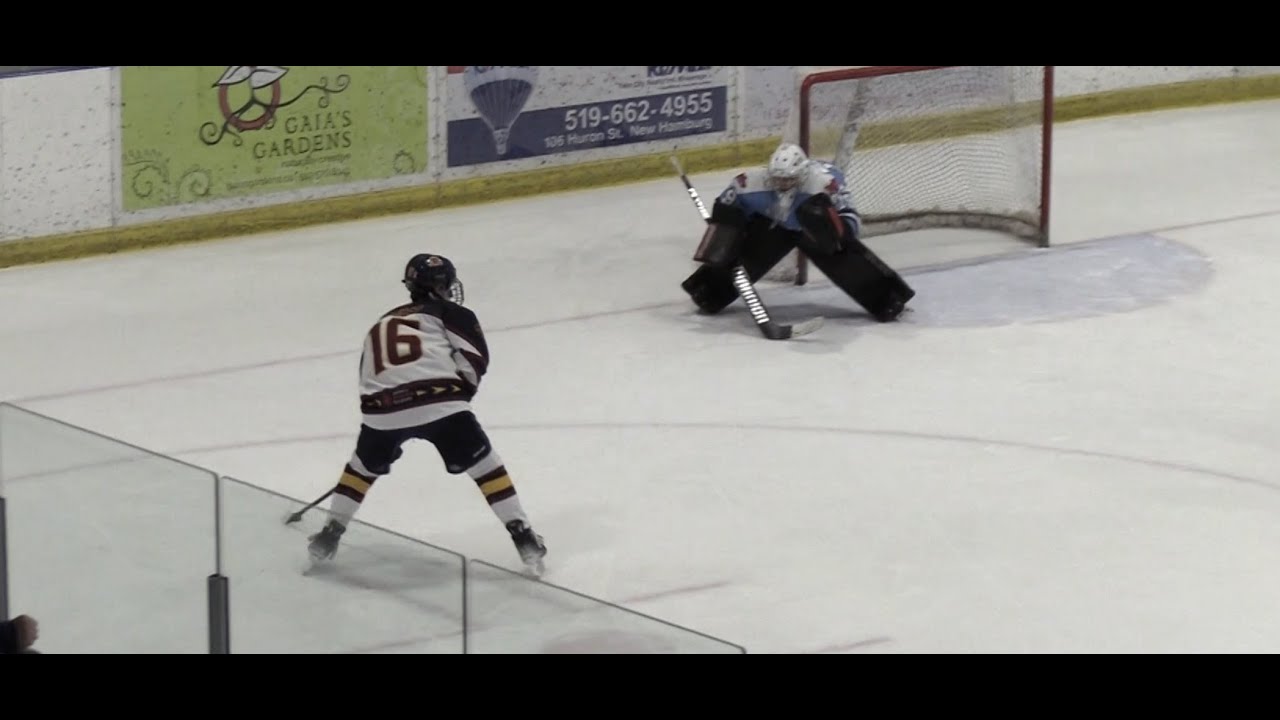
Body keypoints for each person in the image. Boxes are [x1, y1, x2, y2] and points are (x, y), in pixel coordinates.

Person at [307, 253, 548, 577]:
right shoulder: (450, 312)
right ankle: (523, 537)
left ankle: (329, 535)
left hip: (380, 409)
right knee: (485, 466)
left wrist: (386, 416)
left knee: (361, 469)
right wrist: (457, 393)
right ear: (442, 285)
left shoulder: (381, 322)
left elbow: (367, 373)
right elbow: (475, 358)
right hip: (441, 403)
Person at [680, 142, 915, 323]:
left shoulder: (824, 184)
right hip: (771, 225)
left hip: (812, 230)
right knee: (747, 253)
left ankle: (887, 298)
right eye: (778, 178)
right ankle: (708, 290)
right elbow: (725, 209)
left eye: (789, 179)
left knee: (841, 253)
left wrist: (838, 235)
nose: (782, 184)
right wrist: (728, 236)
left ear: (802, 175)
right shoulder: (747, 183)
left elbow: (850, 217)